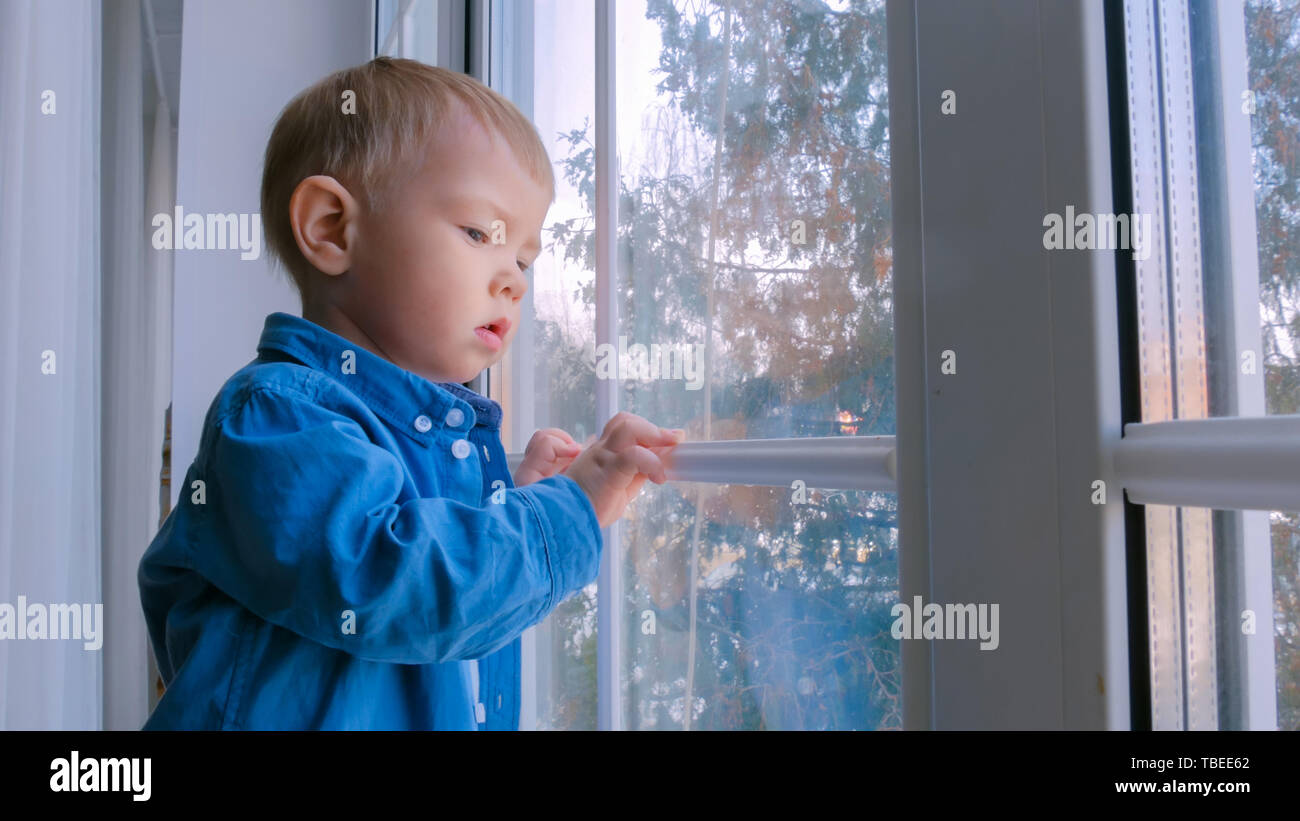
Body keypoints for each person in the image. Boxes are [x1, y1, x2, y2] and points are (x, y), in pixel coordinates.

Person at [138, 57, 684, 730]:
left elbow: (444, 593)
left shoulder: (407, 438)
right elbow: (394, 582)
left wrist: (515, 501)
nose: (513, 279)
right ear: (332, 227)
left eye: (524, 259)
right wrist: (563, 514)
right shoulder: (277, 418)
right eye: (481, 233)